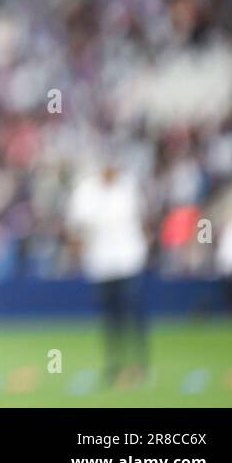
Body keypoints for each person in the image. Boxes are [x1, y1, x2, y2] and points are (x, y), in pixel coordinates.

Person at [65, 159, 152, 387]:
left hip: (128, 259)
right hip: (101, 263)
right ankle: (115, 363)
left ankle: (141, 363)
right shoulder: (86, 192)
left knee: (134, 313)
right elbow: (78, 223)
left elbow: (139, 219)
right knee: (110, 317)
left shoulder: (128, 188)